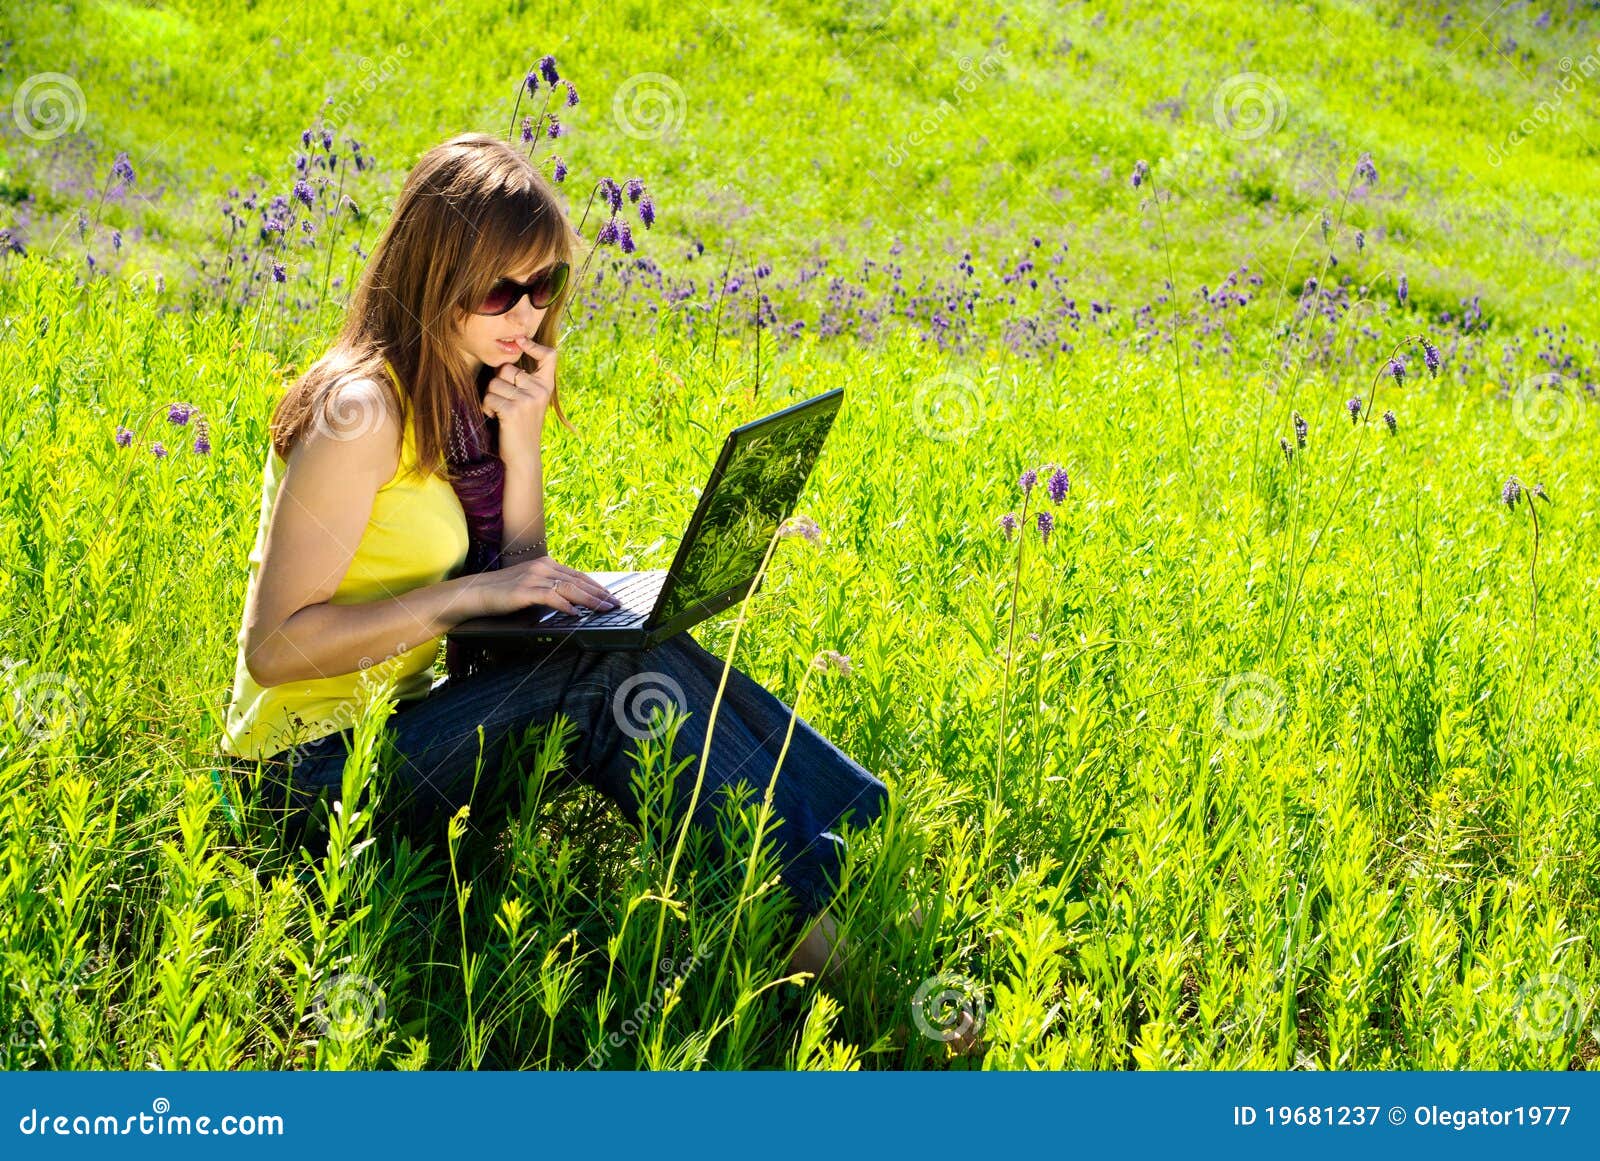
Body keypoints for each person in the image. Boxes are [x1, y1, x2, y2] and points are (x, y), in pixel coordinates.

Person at [213, 131, 889, 986]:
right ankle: (834, 959)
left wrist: (522, 447)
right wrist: (464, 599)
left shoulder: (460, 400)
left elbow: (516, 598)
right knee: (606, 687)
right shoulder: (363, 411)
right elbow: (275, 649)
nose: (528, 315)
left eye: (544, 285)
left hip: (409, 731)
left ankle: (831, 880)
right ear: (434, 274)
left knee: (631, 647)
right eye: (501, 289)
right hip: (305, 783)